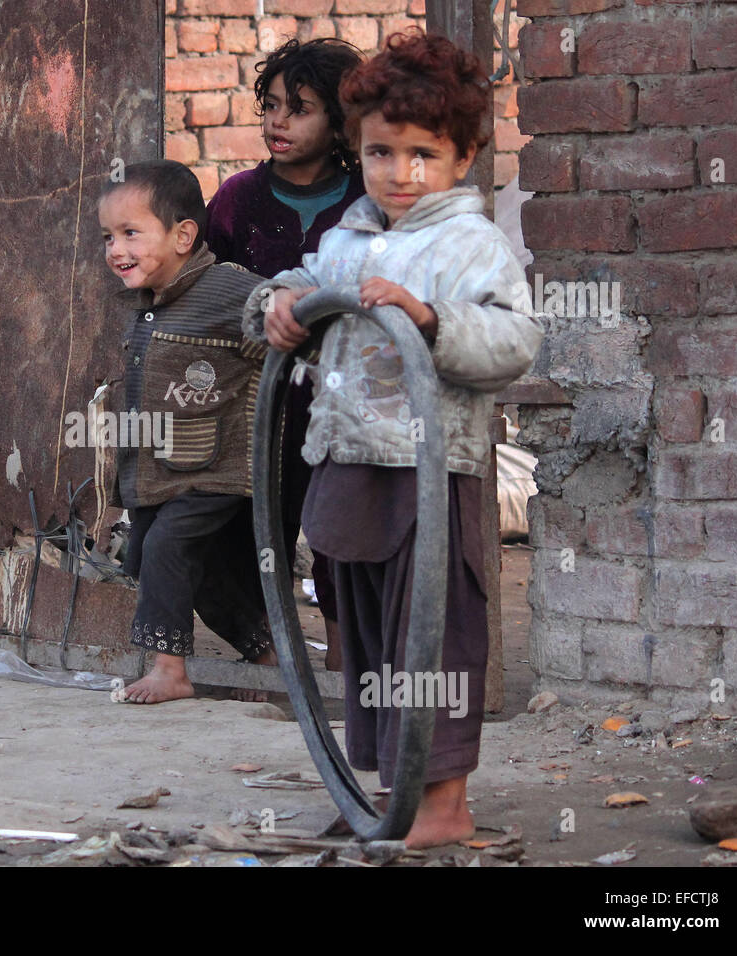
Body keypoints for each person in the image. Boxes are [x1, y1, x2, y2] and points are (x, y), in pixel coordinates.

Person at [243, 29, 544, 847]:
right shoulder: (347, 234)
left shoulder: (469, 243)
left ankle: (443, 802)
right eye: (380, 152)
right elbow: (299, 290)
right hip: (347, 462)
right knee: (369, 631)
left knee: (435, 631)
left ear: (464, 155)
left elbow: (516, 340)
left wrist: (430, 321)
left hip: (428, 470)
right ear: (357, 149)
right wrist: (276, 307)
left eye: (422, 154)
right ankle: (391, 788)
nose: (400, 174)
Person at [205, 37, 367, 672]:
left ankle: (344, 663)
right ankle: (268, 656)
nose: (278, 121)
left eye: (299, 109)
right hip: (252, 397)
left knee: (336, 527)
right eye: (270, 105)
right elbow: (210, 285)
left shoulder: (366, 202)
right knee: (248, 525)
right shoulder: (238, 199)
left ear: (340, 123)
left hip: (340, 399)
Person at [97, 160, 277, 704]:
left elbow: (282, 321)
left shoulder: (228, 290)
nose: (115, 249)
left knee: (167, 550)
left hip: (216, 467)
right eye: (108, 236)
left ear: (182, 235)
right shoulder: (148, 305)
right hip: (159, 472)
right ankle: (267, 657)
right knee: (200, 573)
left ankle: (170, 669)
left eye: (131, 233)